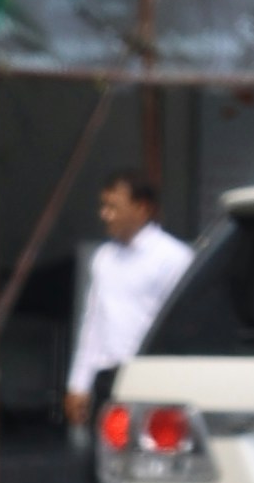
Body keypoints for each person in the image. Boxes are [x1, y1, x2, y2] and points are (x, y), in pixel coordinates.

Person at [66, 170, 193, 461]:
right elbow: (93, 324)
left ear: (142, 207)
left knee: (151, 463)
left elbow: (182, 326)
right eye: (104, 206)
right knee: (103, 466)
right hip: (108, 378)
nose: (105, 215)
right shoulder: (104, 258)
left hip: (152, 377)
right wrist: (78, 383)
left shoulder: (172, 257)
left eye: (114, 207)